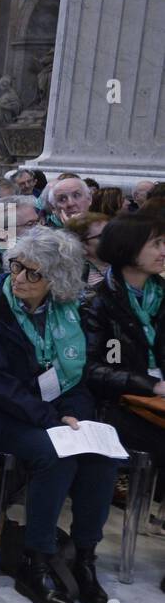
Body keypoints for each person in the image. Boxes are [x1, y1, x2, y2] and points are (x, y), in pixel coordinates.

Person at [0, 227, 118, 603]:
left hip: (47, 411)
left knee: (100, 455)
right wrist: (54, 419)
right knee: (55, 454)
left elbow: (75, 375)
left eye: (34, 273)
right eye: (17, 266)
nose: (20, 278)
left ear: (57, 281)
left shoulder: (66, 310)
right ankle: (36, 559)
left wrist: (76, 413)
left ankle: (84, 556)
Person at [82, 211, 165, 539]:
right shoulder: (98, 302)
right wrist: (149, 384)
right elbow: (90, 369)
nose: (163, 251)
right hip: (118, 406)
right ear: (128, 248)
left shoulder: (161, 296)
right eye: (156, 243)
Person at [65, 212, 111, 290]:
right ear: (81, 246)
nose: (113, 237)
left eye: (112, 231)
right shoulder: (83, 281)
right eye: (102, 236)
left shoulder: (127, 260)